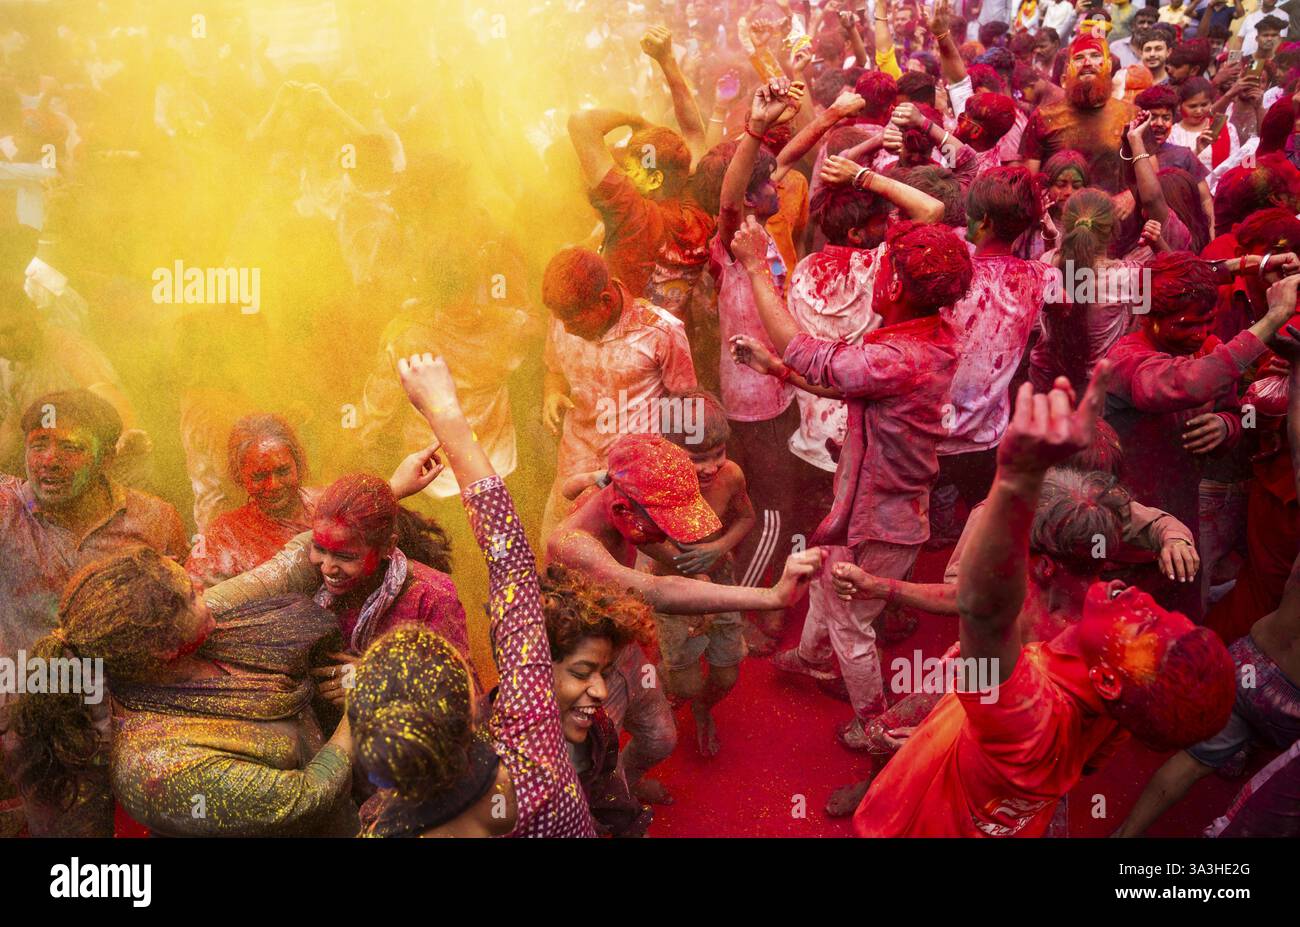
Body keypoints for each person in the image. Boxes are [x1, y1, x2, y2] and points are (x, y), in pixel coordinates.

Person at [852, 363, 1238, 837]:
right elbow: (1091, 765)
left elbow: (980, 606)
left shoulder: (1026, 716)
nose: (1135, 594)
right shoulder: (1117, 701)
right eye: (1159, 611)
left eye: (1143, 624)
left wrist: (1015, 478)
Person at [734, 215, 973, 747]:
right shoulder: (924, 339)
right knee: (827, 583)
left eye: (880, 269)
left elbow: (815, 357)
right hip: (875, 509)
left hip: (879, 522)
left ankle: (873, 720)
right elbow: (849, 386)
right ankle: (814, 657)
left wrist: (754, 267)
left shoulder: (897, 356)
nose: (871, 278)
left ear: (893, 287)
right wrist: (777, 369)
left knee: (851, 622)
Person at [351, 351, 598, 837]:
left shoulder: (379, 831)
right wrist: (446, 411)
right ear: (471, 706)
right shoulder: (533, 753)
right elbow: (513, 567)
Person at [6, 549, 359, 837]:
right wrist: (361, 702)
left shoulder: (188, 632)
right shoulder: (159, 768)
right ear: (161, 647)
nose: (201, 586)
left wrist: (361, 514)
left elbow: (285, 569)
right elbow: (310, 796)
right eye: (191, 593)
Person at [1116, 324, 1300, 837]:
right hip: (1256, 648)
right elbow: (1226, 398)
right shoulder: (1135, 353)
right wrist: (1233, 420)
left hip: (1254, 665)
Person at [539, 247, 698, 542]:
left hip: (635, 482)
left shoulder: (661, 332)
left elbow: (686, 408)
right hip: (575, 469)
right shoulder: (562, 318)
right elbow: (555, 371)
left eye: (573, 322)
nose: (567, 330)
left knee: (631, 578)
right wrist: (553, 394)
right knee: (557, 559)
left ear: (606, 300)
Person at [185, 412, 444, 586]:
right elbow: (195, 600)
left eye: (283, 471)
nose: (273, 485)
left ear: (298, 464)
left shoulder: (330, 500)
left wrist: (392, 490)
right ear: (240, 476)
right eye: (260, 475)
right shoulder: (225, 535)